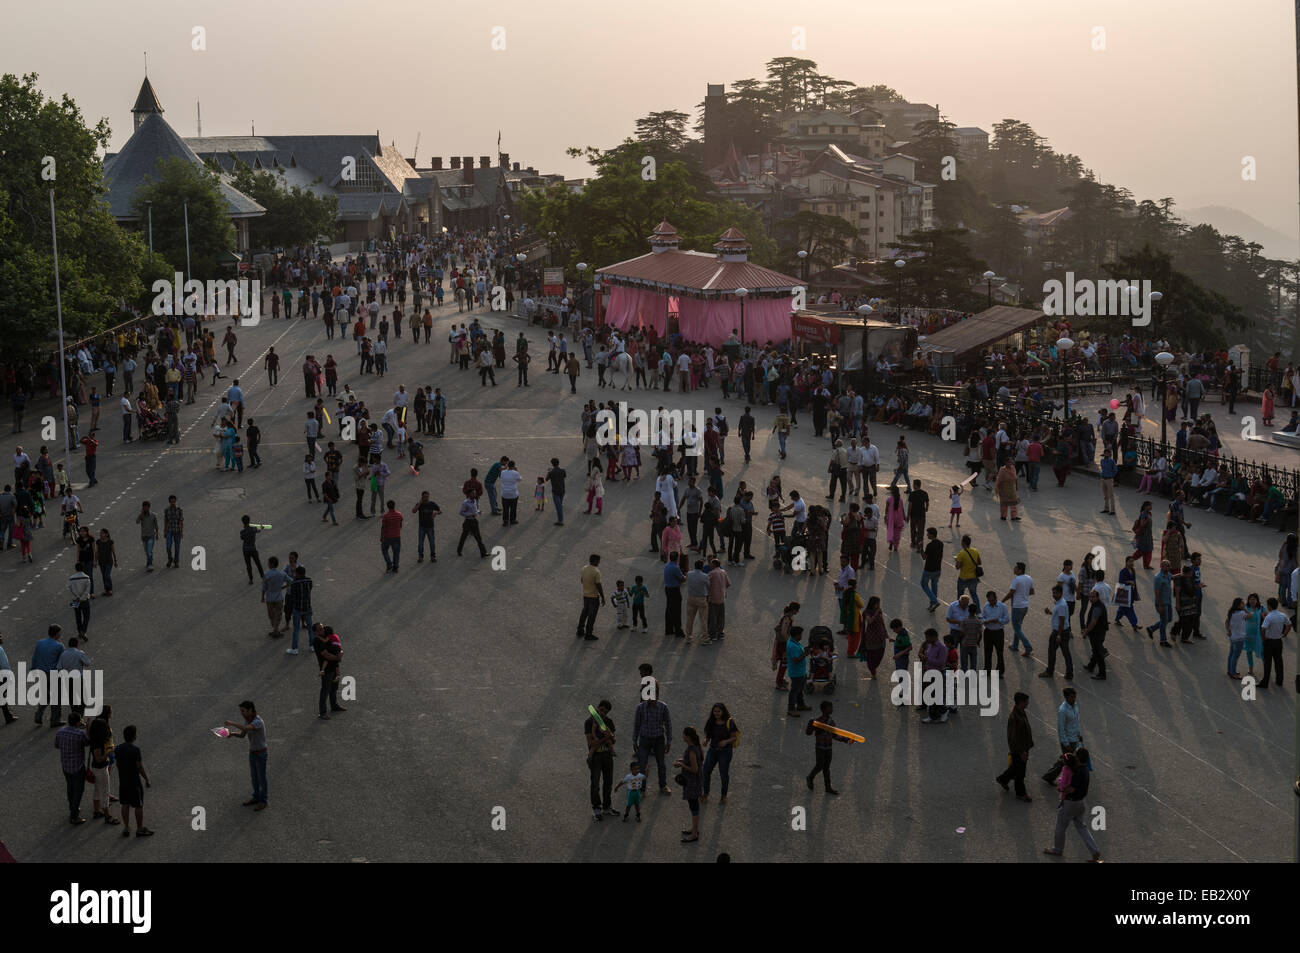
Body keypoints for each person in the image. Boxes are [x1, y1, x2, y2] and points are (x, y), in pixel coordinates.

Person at [1042, 749, 1102, 862]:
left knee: (1060, 826)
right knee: (1081, 827)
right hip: (1081, 803)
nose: (1073, 756)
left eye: (1075, 755)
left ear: (1078, 758)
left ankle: (1057, 849)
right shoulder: (1085, 770)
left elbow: (1072, 789)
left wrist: (1061, 788)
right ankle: (1094, 851)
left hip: (1070, 803)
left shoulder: (1077, 772)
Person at [224, 701, 268, 811]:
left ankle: (263, 801)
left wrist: (231, 723)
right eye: (241, 711)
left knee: (261, 778)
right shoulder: (248, 720)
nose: (241, 713)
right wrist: (233, 734)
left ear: (250, 710)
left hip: (261, 754)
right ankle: (256, 797)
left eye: (243, 711)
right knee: (254, 777)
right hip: (252, 753)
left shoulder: (258, 721)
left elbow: (245, 729)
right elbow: (243, 735)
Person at [114, 724, 153, 836]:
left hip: (123, 781)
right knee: (138, 805)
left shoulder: (118, 749)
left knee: (125, 804)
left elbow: (117, 764)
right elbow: (139, 766)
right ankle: (139, 828)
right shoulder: (135, 750)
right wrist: (146, 779)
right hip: (134, 782)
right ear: (134, 737)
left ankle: (126, 827)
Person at [995, 691, 1034, 802]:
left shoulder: (1021, 712)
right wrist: (1022, 752)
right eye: (1026, 701)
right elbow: (1014, 737)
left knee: (1016, 767)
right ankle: (1021, 793)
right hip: (1019, 749)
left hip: (1022, 747)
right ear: (1021, 702)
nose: (1028, 703)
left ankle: (1003, 779)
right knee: (1020, 772)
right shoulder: (1015, 717)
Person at [633, 689, 673, 795]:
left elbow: (668, 724)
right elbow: (636, 725)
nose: (652, 699)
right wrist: (634, 741)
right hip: (644, 739)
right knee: (642, 765)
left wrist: (669, 741)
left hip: (659, 739)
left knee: (661, 764)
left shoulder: (663, 707)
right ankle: (642, 789)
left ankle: (663, 785)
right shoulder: (640, 708)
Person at [806, 700, 850, 795]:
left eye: (831, 707)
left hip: (828, 748)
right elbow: (808, 733)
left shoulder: (831, 722)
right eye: (829, 708)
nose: (831, 709)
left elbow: (834, 735)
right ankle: (810, 777)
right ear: (823, 709)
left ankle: (828, 787)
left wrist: (846, 740)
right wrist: (810, 725)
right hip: (820, 748)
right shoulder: (817, 722)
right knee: (820, 765)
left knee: (826, 768)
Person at [584, 700, 619, 821]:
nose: (603, 713)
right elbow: (591, 743)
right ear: (597, 708)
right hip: (596, 758)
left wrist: (609, 735)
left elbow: (613, 741)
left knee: (608, 783)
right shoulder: (589, 722)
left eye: (606, 712)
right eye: (602, 710)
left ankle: (607, 807)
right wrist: (605, 737)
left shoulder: (608, 722)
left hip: (607, 756)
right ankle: (596, 808)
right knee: (595, 784)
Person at [1042, 686, 1083, 785]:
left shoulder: (1075, 705)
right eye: (1072, 697)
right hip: (1068, 740)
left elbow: (1076, 722)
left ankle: (1050, 776)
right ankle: (1053, 777)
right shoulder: (1063, 710)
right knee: (1067, 761)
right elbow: (1061, 729)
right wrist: (1065, 743)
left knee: (1066, 760)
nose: (1074, 699)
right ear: (1066, 697)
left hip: (1075, 738)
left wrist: (1079, 734)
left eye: (1074, 697)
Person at [55, 712, 91, 824]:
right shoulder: (80, 734)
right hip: (78, 766)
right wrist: (87, 728)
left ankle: (72, 807)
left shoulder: (60, 731)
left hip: (65, 765)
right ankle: (74, 815)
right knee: (78, 790)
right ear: (77, 722)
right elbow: (88, 742)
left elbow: (57, 745)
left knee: (70, 787)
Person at [675, 727, 703, 844]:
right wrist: (682, 760)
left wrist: (682, 764)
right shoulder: (696, 747)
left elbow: (694, 769)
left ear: (688, 736)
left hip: (692, 782)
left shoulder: (691, 750)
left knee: (694, 807)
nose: (683, 737)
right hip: (695, 781)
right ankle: (694, 829)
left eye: (684, 735)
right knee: (694, 805)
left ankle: (694, 833)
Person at [313, 624, 346, 718]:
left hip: (333, 666)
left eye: (322, 628)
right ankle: (322, 712)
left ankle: (334, 705)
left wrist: (341, 653)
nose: (322, 630)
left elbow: (338, 646)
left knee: (334, 688)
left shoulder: (327, 636)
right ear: (315, 632)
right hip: (327, 669)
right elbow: (325, 654)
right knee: (325, 690)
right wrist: (337, 657)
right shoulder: (317, 641)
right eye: (319, 629)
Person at [1259, 597, 1290, 688]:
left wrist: (1263, 638)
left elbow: (1263, 628)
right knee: (1278, 661)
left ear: (1269, 606)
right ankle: (1279, 680)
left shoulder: (1269, 617)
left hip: (1269, 641)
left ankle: (1265, 682)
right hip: (1278, 641)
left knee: (1267, 663)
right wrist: (1284, 634)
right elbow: (1289, 625)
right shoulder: (1282, 615)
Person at [1081, 589, 1109, 680]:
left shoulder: (1097, 607)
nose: (1091, 599)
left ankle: (1102, 673)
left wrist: (1086, 631)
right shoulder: (1098, 605)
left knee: (1098, 653)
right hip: (1099, 632)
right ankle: (1091, 666)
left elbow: (1093, 622)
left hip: (1097, 633)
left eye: (1093, 597)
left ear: (1097, 597)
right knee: (1095, 650)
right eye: (1090, 597)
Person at [577, 553, 605, 640]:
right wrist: (603, 597)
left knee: (584, 613)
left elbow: (582, 580)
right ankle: (588, 634)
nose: (599, 563)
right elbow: (598, 585)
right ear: (595, 561)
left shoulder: (584, 568)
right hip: (593, 596)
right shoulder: (596, 572)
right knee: (591, 616)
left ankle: (580, 630)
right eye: (598, 561)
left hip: (585, 595)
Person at [786, 625, 812, 716]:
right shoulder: (792, 646)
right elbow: (795, 660)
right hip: (796, 673)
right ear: (796, 635)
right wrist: (805, 654)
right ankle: (791, 708)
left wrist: (804, 651)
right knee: (794, 691)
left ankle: (800, 705)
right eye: (800, 634)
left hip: (800, 671)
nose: (801, 636)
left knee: (800, 689)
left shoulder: (795, 642)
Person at [239, 515, 264, 584]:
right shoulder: (253, 529)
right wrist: (261, 528)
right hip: (253, 548)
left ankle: (251, 579)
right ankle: (263, 577)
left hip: (245, 550)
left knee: (248, 565)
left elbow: (242, 538)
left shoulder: (242, 532)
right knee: (258, 563)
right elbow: (259, 530)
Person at [136, 500, 159, 572]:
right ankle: (149, 560)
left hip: (151, 535)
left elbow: (156, 526)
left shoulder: (153, 515)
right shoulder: (142, 515)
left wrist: (157, 534)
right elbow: (137, 522)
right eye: (144, 507)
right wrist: (140, 514)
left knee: (149, 550)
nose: (145, 509)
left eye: (146, 507)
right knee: (146, 551)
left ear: (149, 507)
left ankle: (150, 565)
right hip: (144, 536)